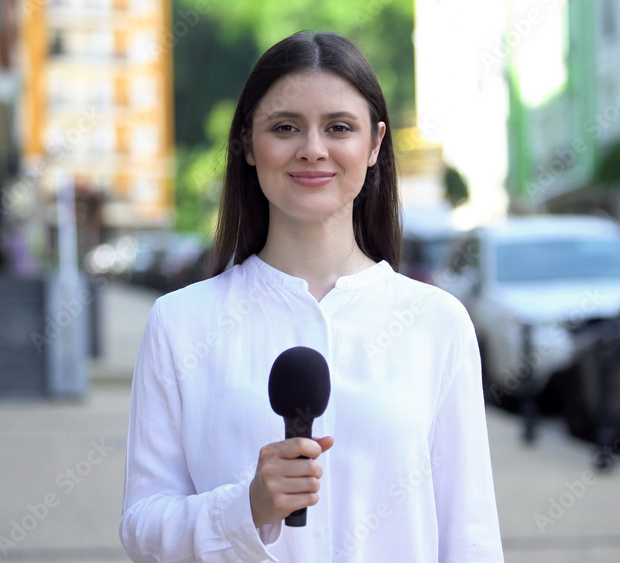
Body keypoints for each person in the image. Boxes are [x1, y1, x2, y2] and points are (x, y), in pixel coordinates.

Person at [120, 31, 504, 562]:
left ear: (374, 145)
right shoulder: (180, 322)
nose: (313, 149)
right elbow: (142, 527)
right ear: (249, 146)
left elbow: (471, 535)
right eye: (285, 127)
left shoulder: (436, 322)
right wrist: (246, 508)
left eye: (339, 127)